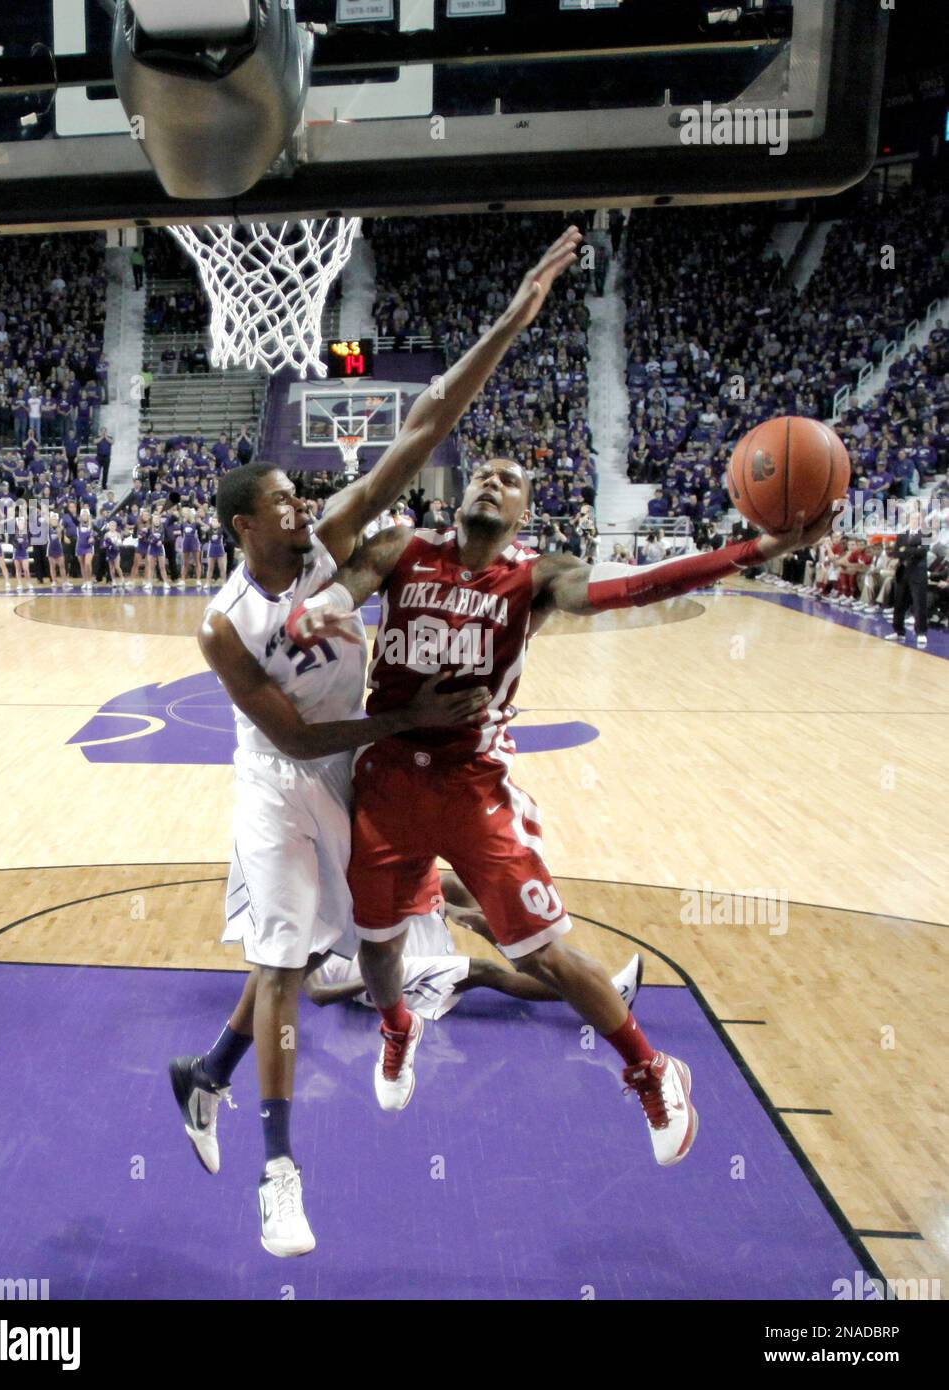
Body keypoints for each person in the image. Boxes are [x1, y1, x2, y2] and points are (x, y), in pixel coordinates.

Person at [168, 227, 587, 1259]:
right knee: (282, 960)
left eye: (301, 498)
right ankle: (278, 1173)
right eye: (282, 502)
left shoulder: (333, 537)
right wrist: (405, 720)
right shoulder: (223, 624)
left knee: (324, 942)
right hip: (281, 781)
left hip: (358, 775)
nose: (302, 505)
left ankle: (206, 1075)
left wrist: (512, 318)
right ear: (242, 526)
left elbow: (428, 417)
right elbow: (289, 726)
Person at [287, 455, 832, 1168]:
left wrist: (757, 550)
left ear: (523, 516)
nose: (492, 481)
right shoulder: (402, 548)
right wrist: (316, 615)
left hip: (471, 784)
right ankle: (397, 1029)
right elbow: (336, 596)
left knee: (538, 948)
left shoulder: (539, 577)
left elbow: (637, 586)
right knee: (380, 946)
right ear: (459, 497)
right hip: (386, 776)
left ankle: (649, 1069)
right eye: (484, 473)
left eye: (511, 482)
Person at [304, 871, 644, 1020]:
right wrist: (380, 980)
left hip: (395, 948)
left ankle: (492, 927)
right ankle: (608, 995)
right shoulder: (305, 928)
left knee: (444, 882)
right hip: (377, 979)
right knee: (484, 971)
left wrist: (450, 908)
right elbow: (318, 995)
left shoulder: (341, 889)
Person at [885, 508, 930, 648]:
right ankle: (898, 631)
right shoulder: (902, 534)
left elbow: (923, 551)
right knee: (899, 603)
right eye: (912, 518)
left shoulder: (927, 533)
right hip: (903, 572)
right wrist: (910, 550)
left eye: (917, 519)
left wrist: (906, 550)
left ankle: (921, 633)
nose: (914, 521)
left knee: (919, 603)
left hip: (918, 573)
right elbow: (896, 553)